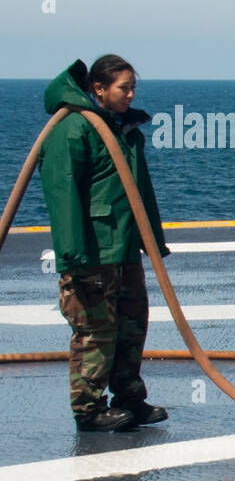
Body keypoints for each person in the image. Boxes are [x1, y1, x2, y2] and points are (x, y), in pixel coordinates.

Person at [39, 56, 170, 432]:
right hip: (92, 253)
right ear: (98, 89)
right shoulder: (74, 129)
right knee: (95, 331)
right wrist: (73, 257)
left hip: (124, 247)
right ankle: (89, 409)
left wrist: (151, 241)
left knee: (131, 325)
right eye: (122, 88)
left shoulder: (124, 130)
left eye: (133, 88)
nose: (130, 95)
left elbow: (140, 191)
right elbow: (62, 195)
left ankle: (129, 398)